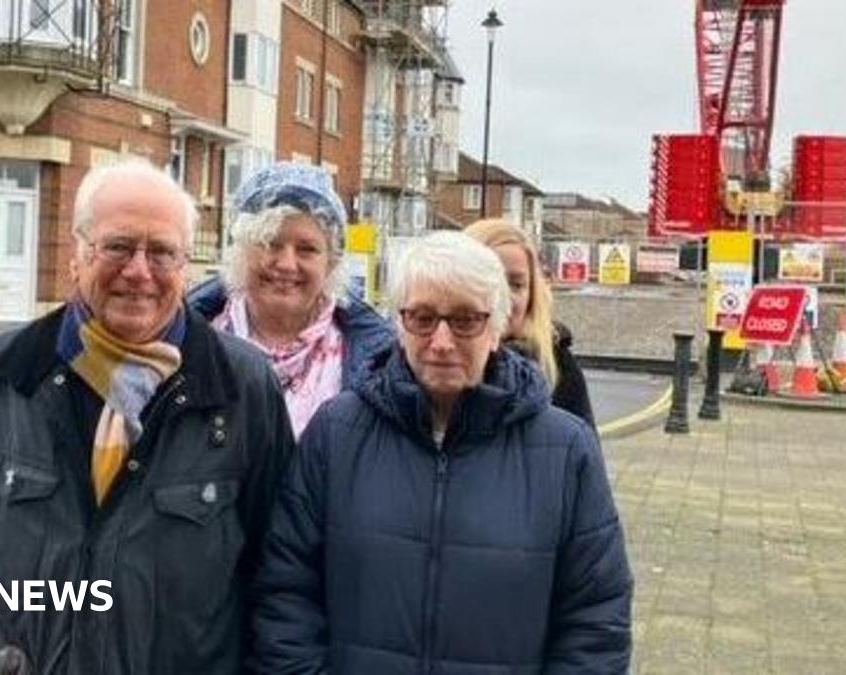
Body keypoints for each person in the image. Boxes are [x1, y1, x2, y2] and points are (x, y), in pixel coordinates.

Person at [0, 159, 296, 674]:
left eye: (162, 252)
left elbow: (274, 565)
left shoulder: (244, 386)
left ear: (185, 266)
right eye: (119, 246)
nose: (139, 271)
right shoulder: (3, 370)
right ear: (78, 254)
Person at [253, 231, 634, 674]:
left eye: (465, 320)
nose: (441, 341)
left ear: (496, 329)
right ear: (400, 325)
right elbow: (285, 592)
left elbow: (596, 621)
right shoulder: (336, 433)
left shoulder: (566, 451)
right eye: (423, 318)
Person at [188, 162, 393, 438]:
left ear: (331, 262)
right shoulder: (189, 342)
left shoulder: (377, 361)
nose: (286, 264)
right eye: (270, 244)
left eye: (306, 249)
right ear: (242, 253)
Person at [465, 218, 596, 426]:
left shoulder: (557, 366)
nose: (503, 296)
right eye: (489, 282)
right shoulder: (429, 362)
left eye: (515, 285)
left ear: (532, 294)